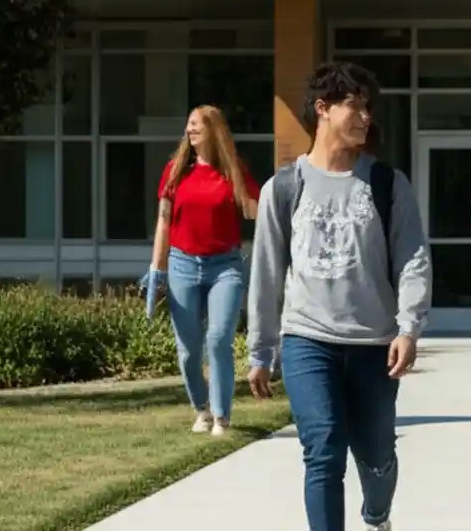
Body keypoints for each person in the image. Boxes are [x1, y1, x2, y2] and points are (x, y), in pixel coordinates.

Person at [246, 61, 432, 531]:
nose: (365, 117)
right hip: (307, 340)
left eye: (368, 107)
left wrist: (409, 328)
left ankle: (377, 516)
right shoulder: (283, 188)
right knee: (323, 449)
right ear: (322, 108)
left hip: (373, 344)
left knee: (376, 455)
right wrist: (261, 351)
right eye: (354, 105)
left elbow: (412, 259)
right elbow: (266, 274)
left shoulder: (387, 183)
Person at [139, 105, 259, 436]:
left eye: (196, 125)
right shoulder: (175, 171)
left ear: (213, 129)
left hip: (225, 266)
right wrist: (157, 268)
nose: (190, 130)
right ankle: (201, 410)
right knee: (189, 350)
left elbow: (254, 210)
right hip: (182, 264)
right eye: (188, 125)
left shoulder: (232, 169)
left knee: (219, 339)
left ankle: (221, 416)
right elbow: (163, 221)